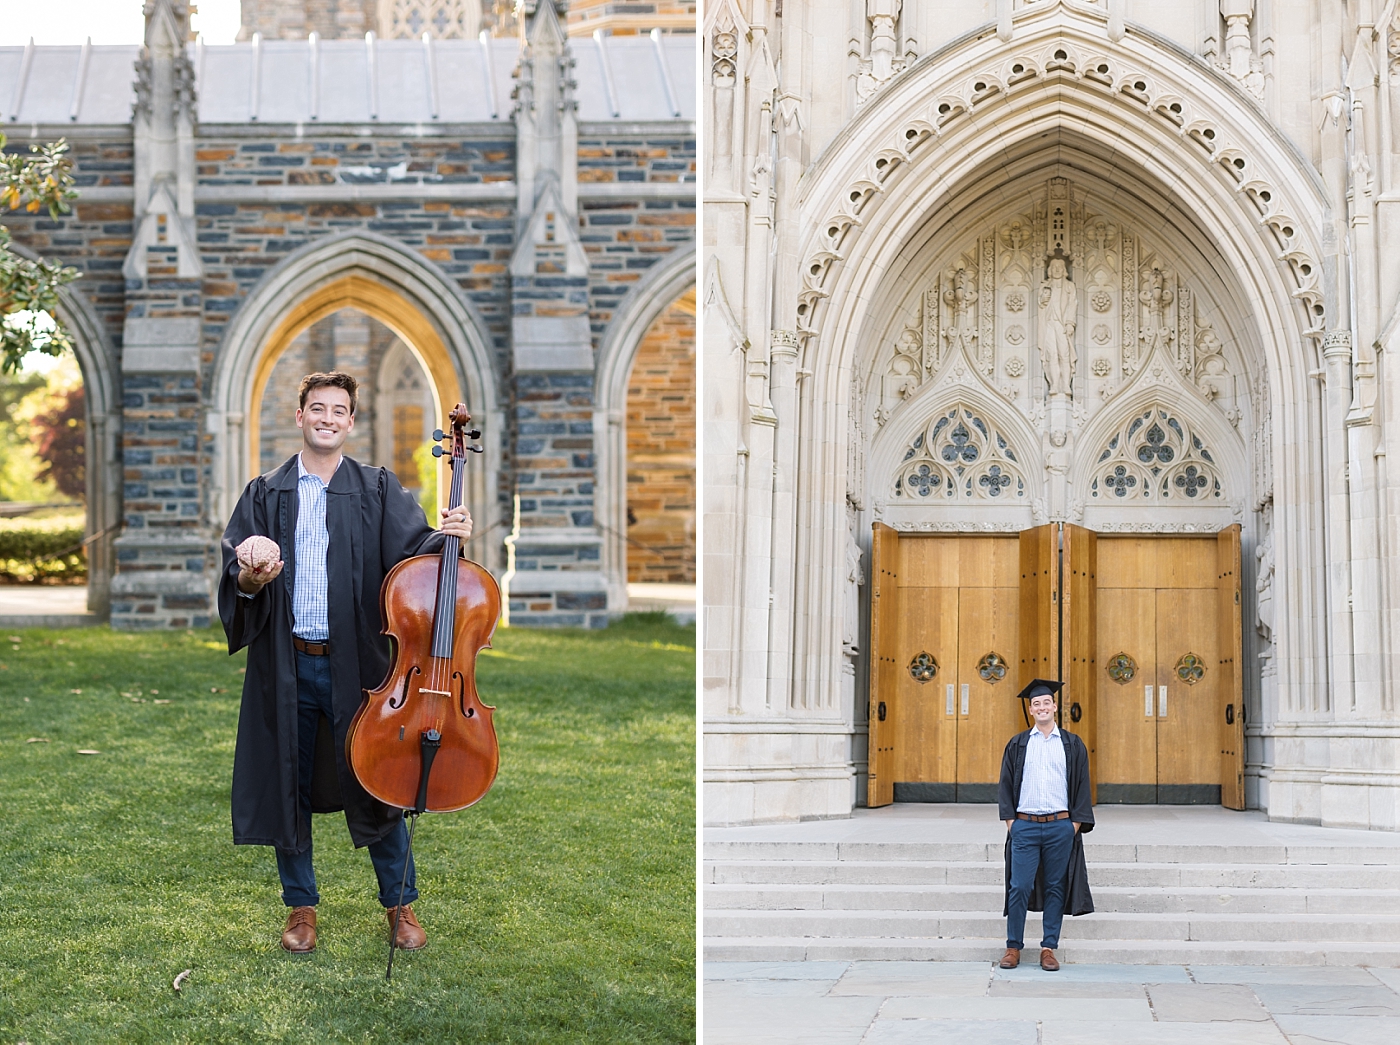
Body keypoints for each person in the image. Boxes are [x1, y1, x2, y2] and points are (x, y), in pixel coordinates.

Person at [218, 371, 474, 954]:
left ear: (351, 421)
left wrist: (450, 535)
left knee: (378, 780)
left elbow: (417, 556)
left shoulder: (377, 489)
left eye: (339, 410)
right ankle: (300, 909)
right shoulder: (265, 493)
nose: (327, 418)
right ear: (302, 415)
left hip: (359, 667)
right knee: (289, 783)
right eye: (317, 408)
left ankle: (400, 905)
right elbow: (238, 578)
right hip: (286, 665)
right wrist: (250, 576)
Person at [997, 679, 1094, 971]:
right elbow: (1004, 786)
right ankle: (1013, 946)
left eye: (1046, 703)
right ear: (1031, 709)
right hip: (1025, 825)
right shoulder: (1018, 743)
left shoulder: (1072, 744)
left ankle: (1048, 947)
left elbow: (1082, 786)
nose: (1041, 707)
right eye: (1036, 704)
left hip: (1059, 826)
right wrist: (1012, 823)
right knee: (1019, 886)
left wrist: (1073, 825)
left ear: (1055, 707)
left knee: (1055, 886)